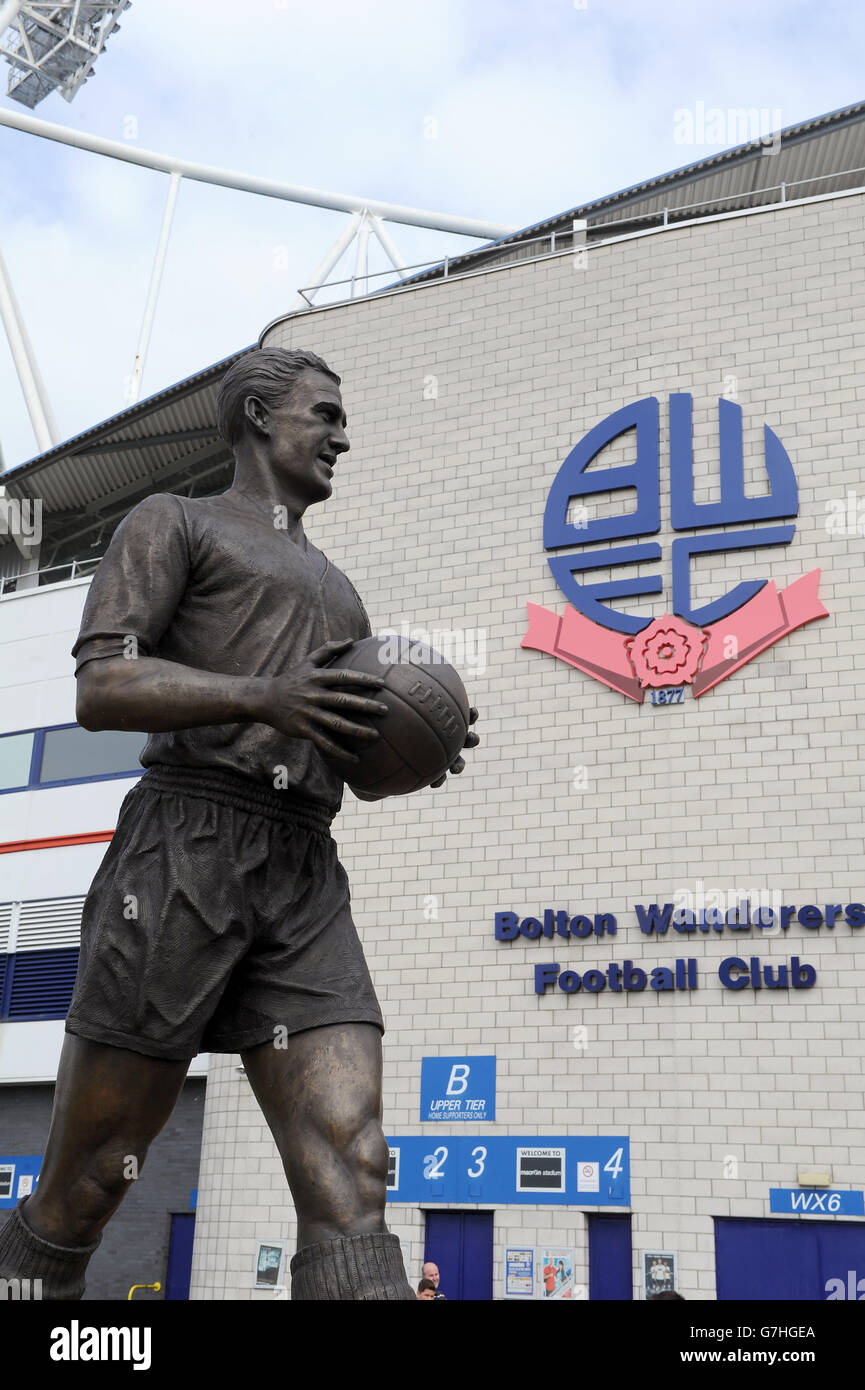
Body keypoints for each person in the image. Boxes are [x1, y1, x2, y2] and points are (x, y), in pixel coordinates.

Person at [0, 347, 479, 1302]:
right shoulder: (170, 521)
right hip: (185, 846)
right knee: (94, 1178)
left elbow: (335, 742)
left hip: (303, 867)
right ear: (258, 416)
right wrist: (265, 694)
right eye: (324, 413)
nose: (343, 433)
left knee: (355, 1164)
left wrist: (410, 756)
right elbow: (102, 687)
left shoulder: (341, 592)